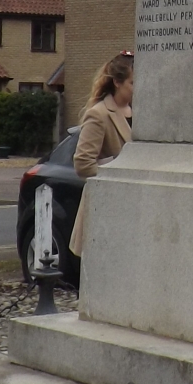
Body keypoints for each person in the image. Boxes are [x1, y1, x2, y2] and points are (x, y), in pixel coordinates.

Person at [69, 52, 133, 260]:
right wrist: (119, 172)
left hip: (133, 210)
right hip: (106, 211)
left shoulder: (143, 113)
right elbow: (83, 164)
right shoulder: (99, 114)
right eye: (133, 83)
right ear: (117, 82)